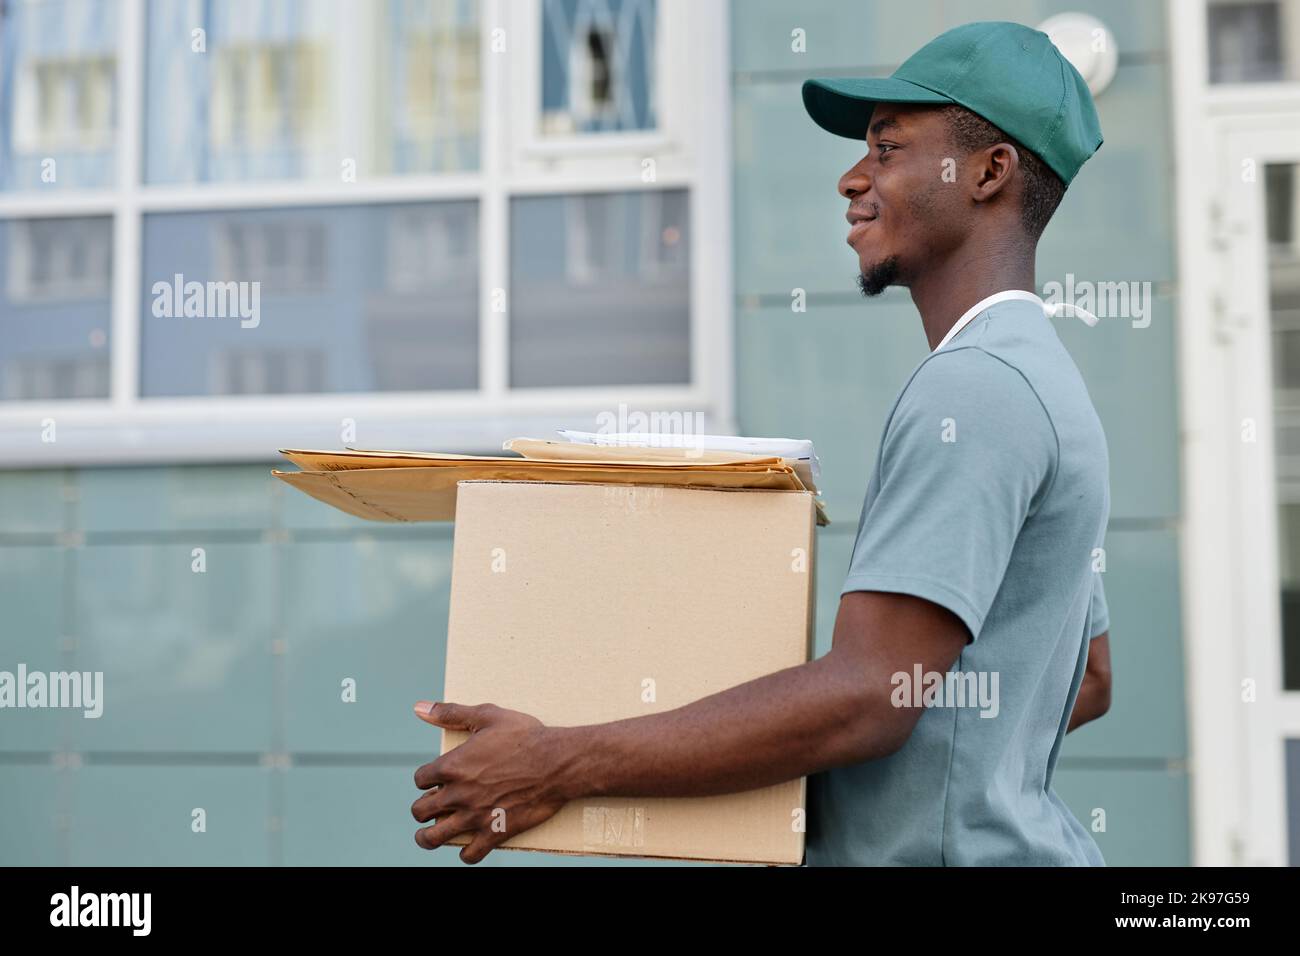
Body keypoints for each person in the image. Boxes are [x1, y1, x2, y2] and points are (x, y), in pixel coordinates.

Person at [409, 20, 1114, 866]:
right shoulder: (1044, 382)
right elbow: (1084, 678)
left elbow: (871, 695)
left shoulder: (976, 389)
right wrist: (773, 751)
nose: (853, 179)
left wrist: (559, 761)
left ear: (990, 172)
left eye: (887, 150)